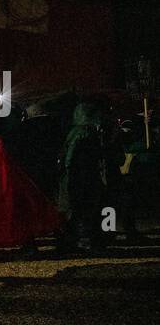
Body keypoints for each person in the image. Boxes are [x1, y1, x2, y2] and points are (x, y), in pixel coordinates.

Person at [58, 97, 109, 253]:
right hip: (82, 177)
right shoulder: (85, 133)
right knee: (82, 210)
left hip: (77, 176)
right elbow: (72, 158)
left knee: (76, 210)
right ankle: (81, 242)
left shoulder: (75, 132)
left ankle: (72, 242)